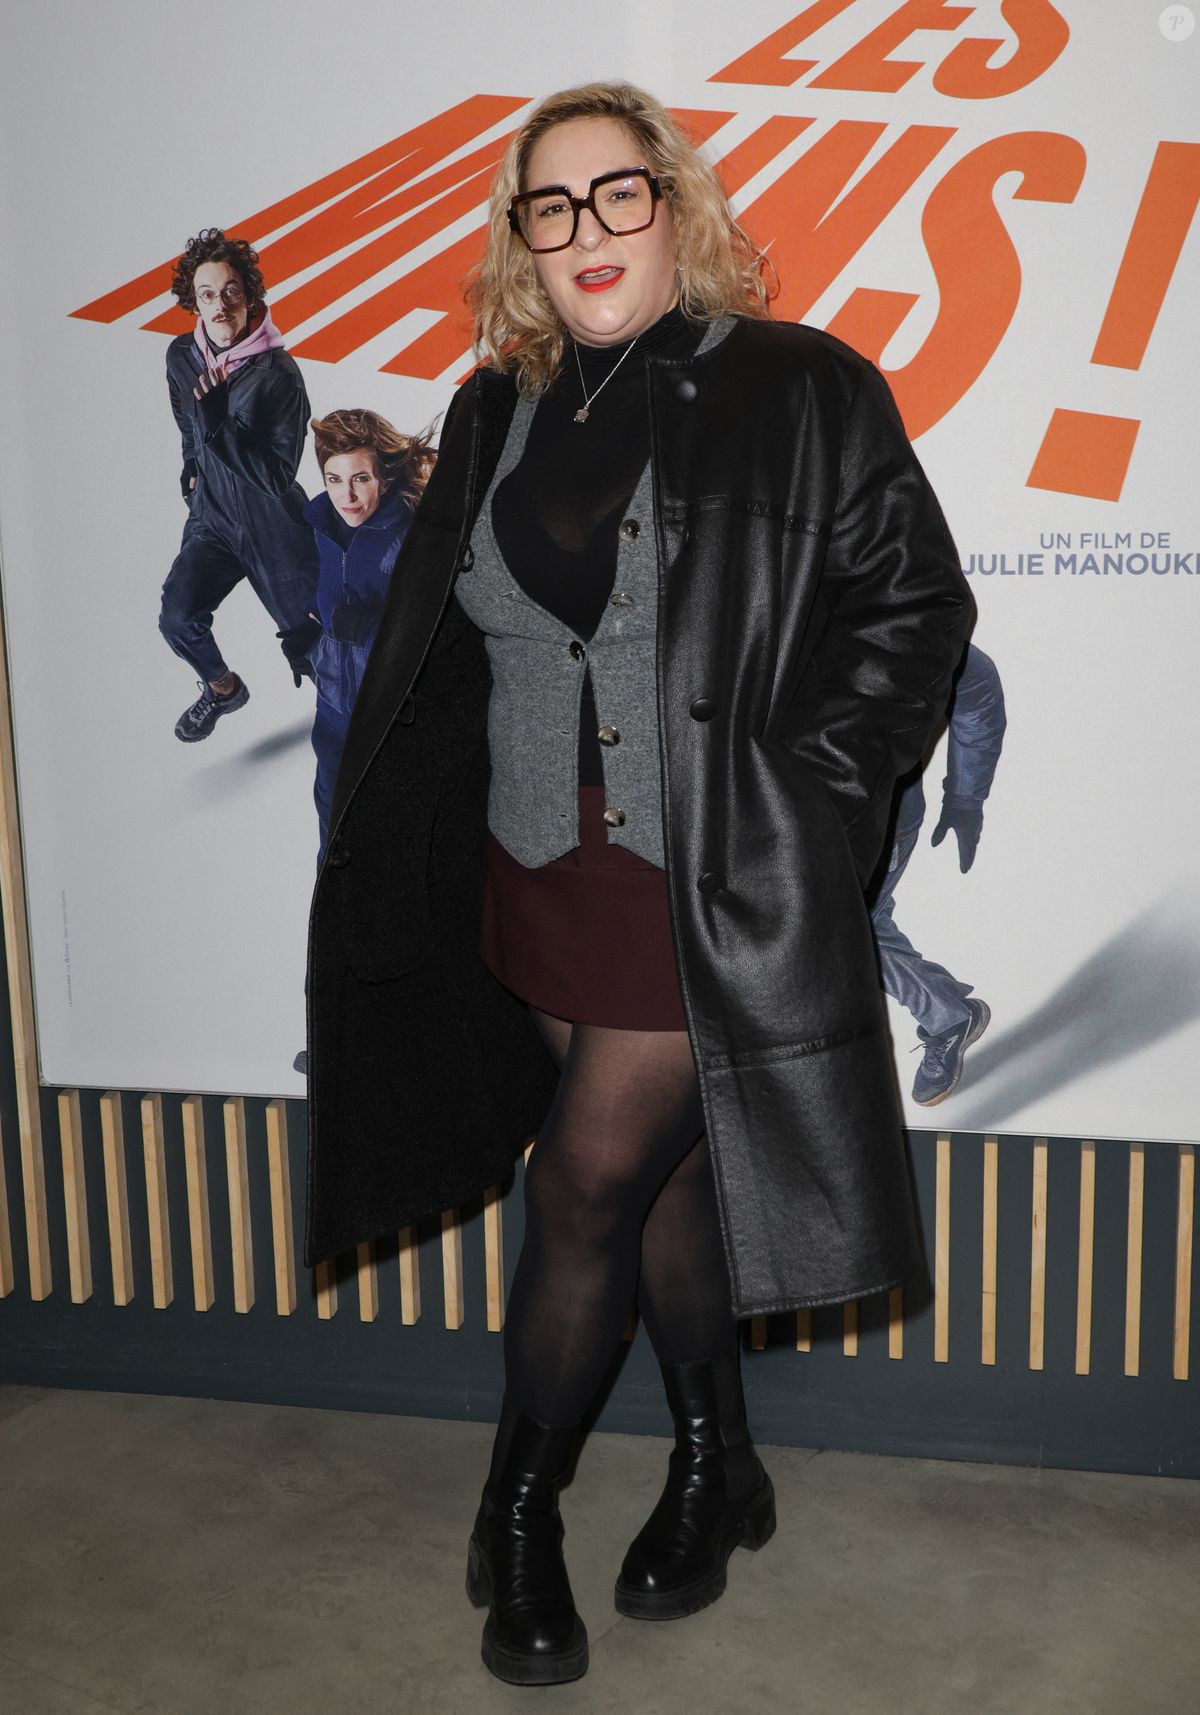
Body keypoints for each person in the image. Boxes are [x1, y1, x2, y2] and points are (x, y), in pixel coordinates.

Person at [303, 82, 975, 1687]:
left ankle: (515, 1512)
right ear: (520, 237)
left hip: (707, 878)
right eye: (553, 205)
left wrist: (802, 797)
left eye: (619, 196)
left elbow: (915, 609)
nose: (588, 230)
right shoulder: (494, 405)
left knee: (589, 1182)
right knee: (664, 1184)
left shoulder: (800, 387)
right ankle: (717, 1463)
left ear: (675, 207)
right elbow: (447, 642)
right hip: (536, 870)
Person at [160, 228, 321, 742]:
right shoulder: (181, 357)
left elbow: (278, 477)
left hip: (273, 525)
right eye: (207, 294)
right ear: (194, 302)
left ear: (250, 296)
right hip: (213, 520)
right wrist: (191, 466)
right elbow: (187, 425)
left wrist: (216, 425)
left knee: (311, 640)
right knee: (178, 617)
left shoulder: (279, 375)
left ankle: (357, 718)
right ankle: (224, 690)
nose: (220, 305)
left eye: (231, 291)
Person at [870, 643, 1006, 1104]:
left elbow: (976, 682)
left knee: (848, 925)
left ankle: (948, 1017)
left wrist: (966, 799)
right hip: (770, 813)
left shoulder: (887, 613)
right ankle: (948, 1015)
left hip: (878, 813)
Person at [305, 409, 435, 863]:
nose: (348, 495)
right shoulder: (319, 528)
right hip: (333, 723)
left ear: (383, 476)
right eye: (334, 479)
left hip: (390, 728)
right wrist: (312, 640)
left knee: (390, 857)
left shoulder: (410, 537)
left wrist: (374, 629)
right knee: (332, 853)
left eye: (360, 478)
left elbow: (435, 634)